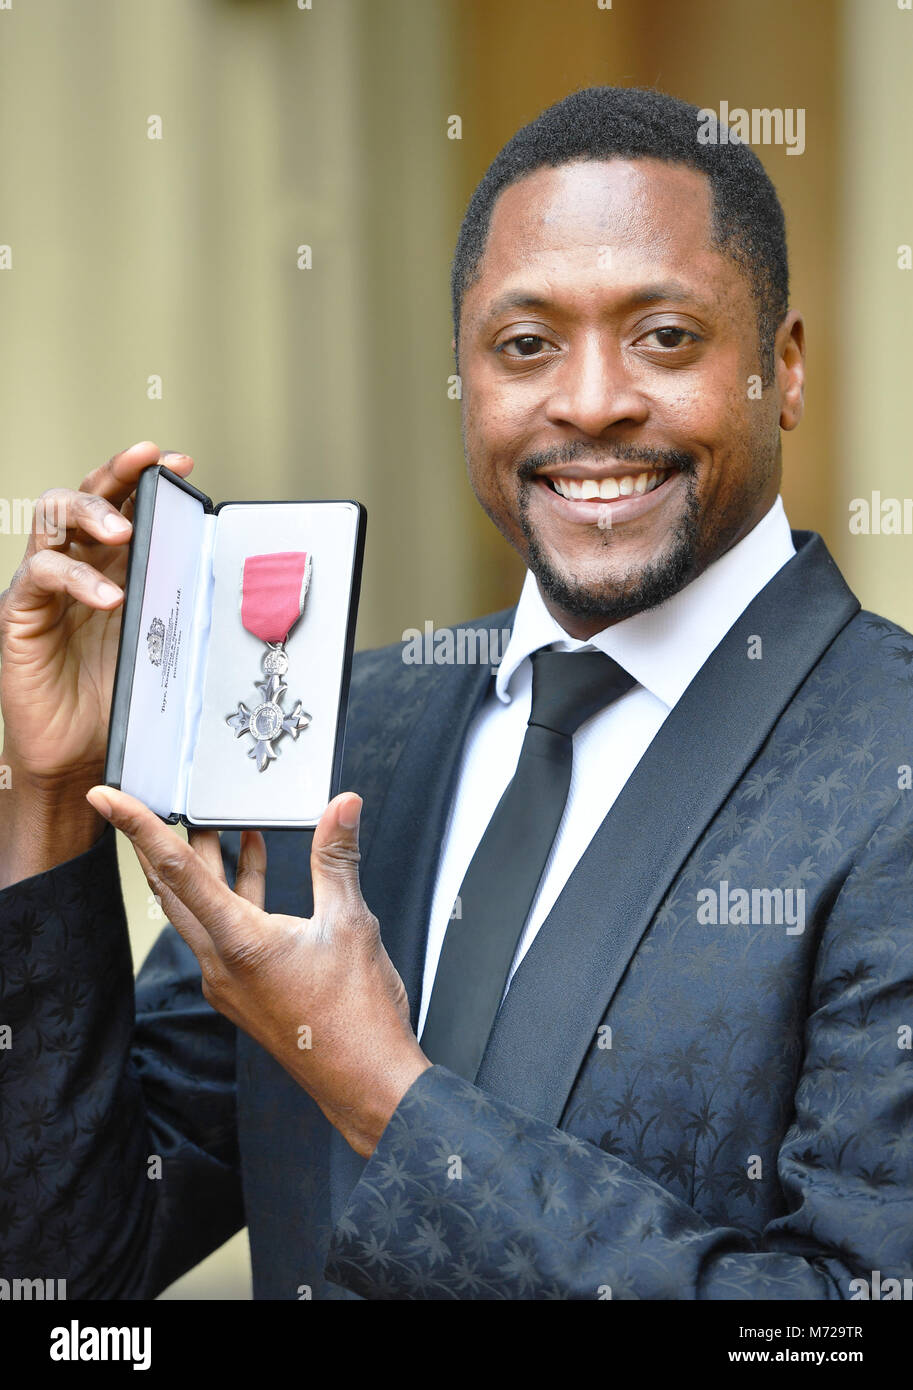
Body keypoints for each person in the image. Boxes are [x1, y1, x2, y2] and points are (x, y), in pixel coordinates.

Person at [1, 86, 911, 1301]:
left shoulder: (886, 763)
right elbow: (68, 1274)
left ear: (782, 368)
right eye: (525, 345)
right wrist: (47, 793)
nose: (590, 401)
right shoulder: (342, 732)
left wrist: (378, 1087)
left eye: (665, 337)